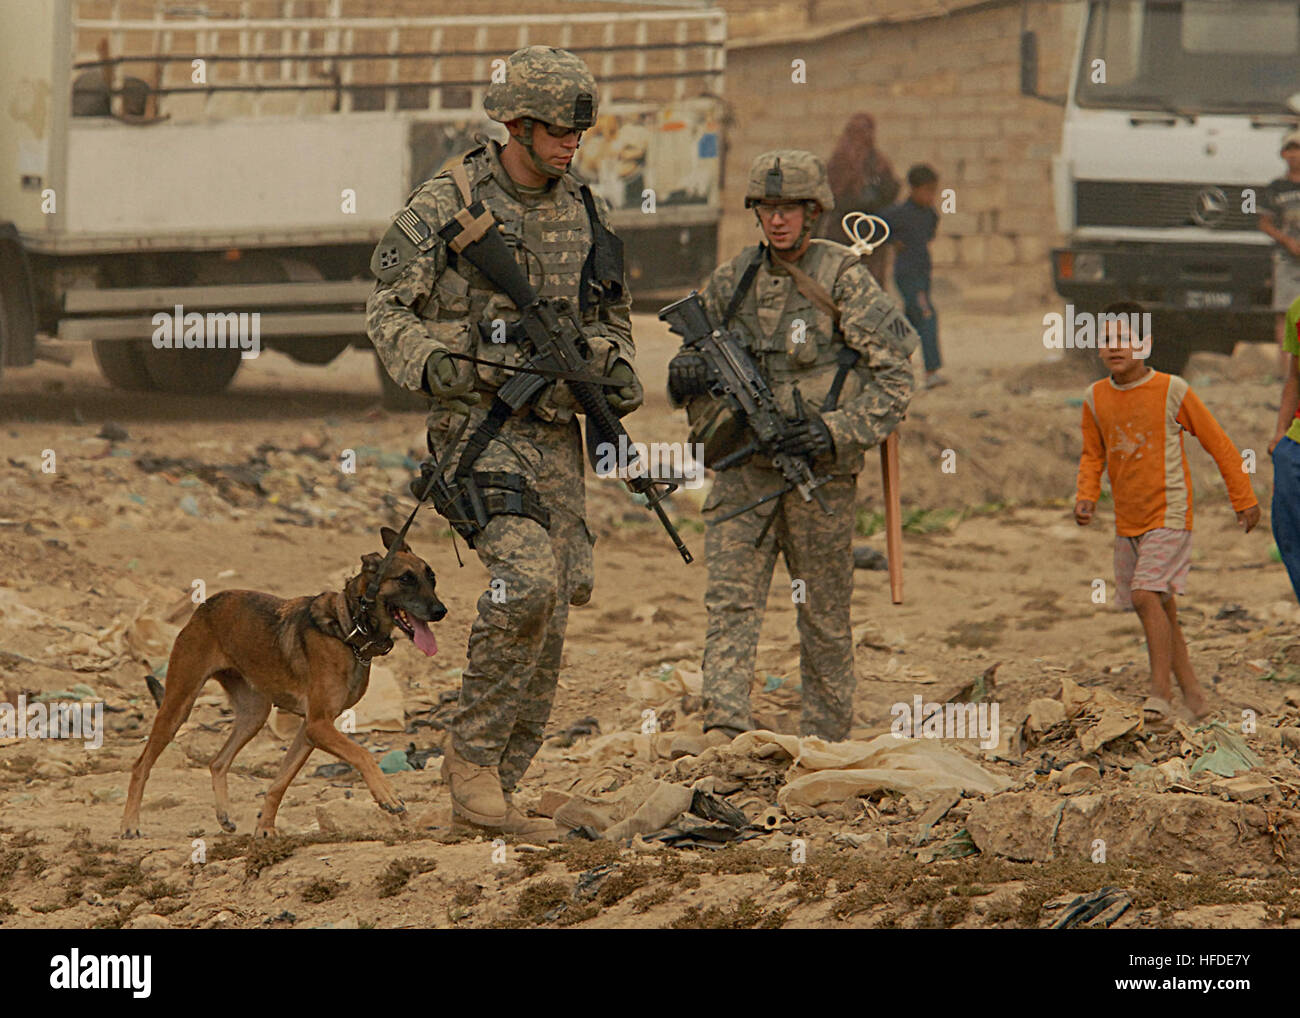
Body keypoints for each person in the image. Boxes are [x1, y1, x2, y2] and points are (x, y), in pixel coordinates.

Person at [366, 46, 641, 835]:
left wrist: (615, 370)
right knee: (523, 578)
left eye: (578, 136)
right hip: (477, 428)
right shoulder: (446, 203)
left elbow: (611, 318)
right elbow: (387, 310)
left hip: (556, 431)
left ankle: (497, 792)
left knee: (558, 601)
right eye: (557, 132)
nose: (569, 147)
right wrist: (435, 361)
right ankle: (472, 764)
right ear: (516, 125)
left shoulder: (586, 209)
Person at [667, 150, 916, 749]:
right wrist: (686, 374)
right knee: (731, 604)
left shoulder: (843, 278)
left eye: (791, 209)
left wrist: (835, 430)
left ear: (815, 212)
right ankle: (725, 727)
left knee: (825, 618)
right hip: (741, 469)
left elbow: (896, 380)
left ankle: (826, 740)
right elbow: (696, 353)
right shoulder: (734, 278)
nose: (778, 221)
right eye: (768, 208)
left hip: (818, 476)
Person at [1074, 302, 1260, 724]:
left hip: (1170, 513)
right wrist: (1086, 495)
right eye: (1106, 339)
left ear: (1146, 343)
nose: (1114, 347)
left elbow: (1218, 442)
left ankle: (1160, 692)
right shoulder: (1094, 398)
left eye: (1124, 339)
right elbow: (1092, 454)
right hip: (1128, 521)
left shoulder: (1172, 390)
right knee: (1163, 608)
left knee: (1144, 596)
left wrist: (1243, 497)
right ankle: (1196, 697)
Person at [882, 164, 943, 388]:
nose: (930, 196)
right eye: (927, 191)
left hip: (923, 274)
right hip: (907, 275)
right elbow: (877, 227)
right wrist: (893, 242)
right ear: (914, 189)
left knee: (908, 321)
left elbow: (929, 234)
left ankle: (896, 369)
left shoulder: (929, 215)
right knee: (927, 315)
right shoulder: (898, 214)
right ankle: (932, 372)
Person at [820, 112, 900, 284]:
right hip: (841, 230)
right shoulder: (837, 163)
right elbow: (828, 196)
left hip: (871, 232)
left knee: (871, 283)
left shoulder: (879, 162)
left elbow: (890, 193)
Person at [1258, 129, 1300, 377]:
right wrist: (1287, 241)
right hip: (1286, 259)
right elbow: (1264, 223)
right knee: (1284, 315)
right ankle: (1285, 376)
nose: (1295, 155)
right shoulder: (1275, 188)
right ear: (1284, 154)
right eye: (1291, 149)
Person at [1269, 294, 1300, 603]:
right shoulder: (1297, 310)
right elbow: (1294, 377)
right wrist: (1279, 433)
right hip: (1295, 445)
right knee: (1289, 533)